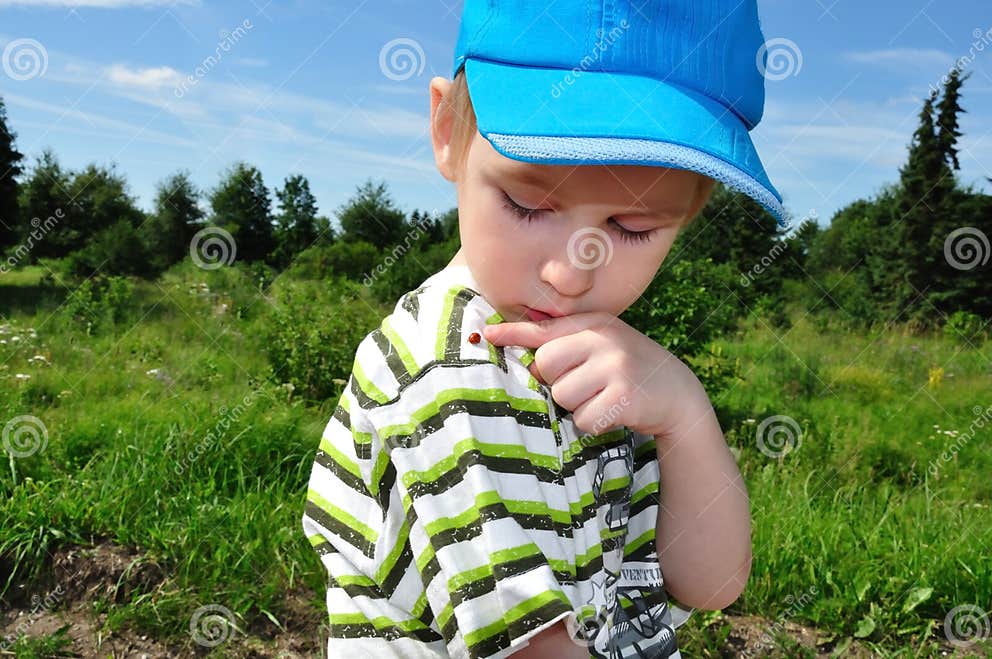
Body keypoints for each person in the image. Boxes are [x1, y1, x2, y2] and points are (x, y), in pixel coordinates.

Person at [301, 1, 790, 657]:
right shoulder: (445, 367)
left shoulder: (607, 360)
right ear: (448, 132)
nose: (570, 271)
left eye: (632, 228)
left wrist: (684, 413)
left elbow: (711, 583)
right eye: (529, 204)